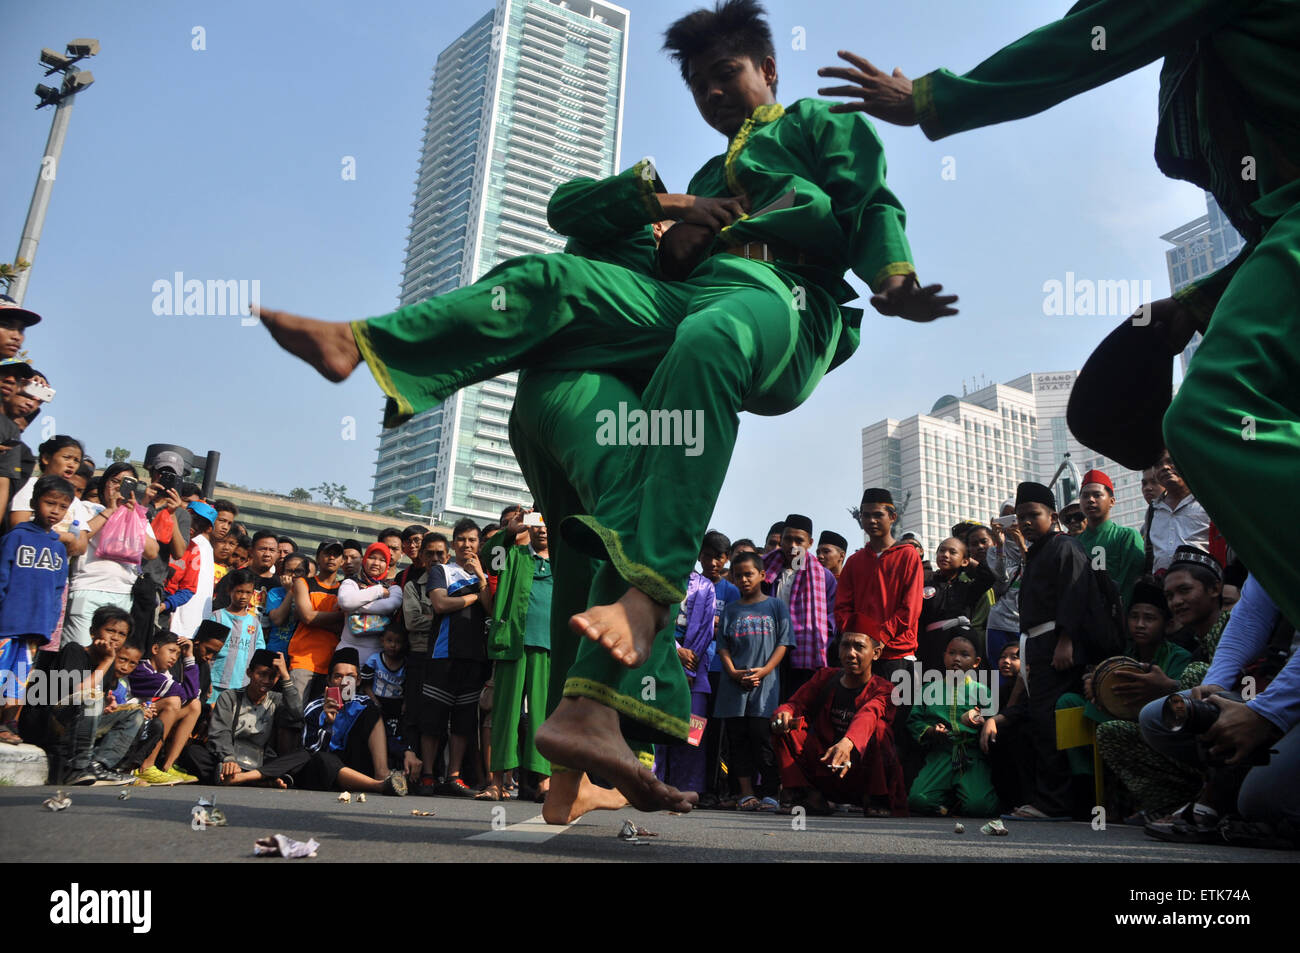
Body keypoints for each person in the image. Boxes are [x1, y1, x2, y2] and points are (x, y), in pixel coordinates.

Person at [257, 0, 954, 814]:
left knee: (700, 354)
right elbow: (577, 214)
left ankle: (645, 609)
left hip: (784, 299)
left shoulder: (814, 125)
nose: (712, 94)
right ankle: (367, 343)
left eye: (725, 74)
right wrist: (676, 214)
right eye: (697, 85)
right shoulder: (696, 183)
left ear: (768, 69)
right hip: (683, 310)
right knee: (553, 288)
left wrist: (894, 277)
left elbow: (872, 200)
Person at [978, 482, 1088, 821]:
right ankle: (1046, 799)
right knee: (1039, 721)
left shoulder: (1065, 546)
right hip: (1035, 645)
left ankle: (1055, 803)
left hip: (1056, 644)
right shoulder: (1037, 552)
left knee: (1051, 722)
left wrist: (1066, 639)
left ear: (1052, 517)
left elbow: (1075, 595)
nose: (1025, 522)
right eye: (1021, 516)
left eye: (1033, 515)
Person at [771, 624, 906, 816]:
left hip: (861, 773)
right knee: (786, 725)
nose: (850, 653)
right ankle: (807, 796)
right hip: (825, 765)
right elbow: (796, 703)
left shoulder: (885, 689)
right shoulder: (825, 677)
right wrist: (784, 712)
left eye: (859, 646)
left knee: (880, 730)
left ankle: (876, 799)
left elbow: (868, 714)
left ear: (875, 653)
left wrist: (847, 743)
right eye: (845, 645)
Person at [480, 509, 554, 801]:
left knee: (542, 716)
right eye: (537, 523)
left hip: (549, 646)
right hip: (512, 642)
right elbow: (490, 559)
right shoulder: (513, 555)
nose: (543, 529)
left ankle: (544, 783)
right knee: (505, 714)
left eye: (548, 523)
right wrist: (509, 532)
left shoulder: (565, 562)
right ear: (529, 527)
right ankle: (497, 782)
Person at [419, 518, 493, 796]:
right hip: (443, 654)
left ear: (479, 544)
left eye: (472, 540)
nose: (467, 544)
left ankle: (454, 776)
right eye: (461, 539)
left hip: (474, 657)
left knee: (463, 722)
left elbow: (492, 610)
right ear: (453, 544)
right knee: (432, 720)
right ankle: (428, 775)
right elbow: (440, 604)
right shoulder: (442, 570)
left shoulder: (483, 574)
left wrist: (481, 579)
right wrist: (474, 597)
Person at [715, 550, 792, 811]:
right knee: (737, 740)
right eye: (738, 576)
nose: (744, 580)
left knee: (763, 737)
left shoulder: (776, 606)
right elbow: (723, 646)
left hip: (765, 686)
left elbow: (783, 643)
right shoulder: (731, 609)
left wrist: (764, 671)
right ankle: (746, 793)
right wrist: (733, 672)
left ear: (762, 575)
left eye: (749, 574)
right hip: (733, 686)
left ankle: (771, 792)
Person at [0, 474, 73, 743]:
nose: (55, 511)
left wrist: (49, 623)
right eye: (50, 503)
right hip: (7, 623)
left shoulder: (58, 548)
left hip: (35, 628)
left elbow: (57, 590)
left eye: (62, 507)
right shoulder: (15, 537)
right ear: (34, 502)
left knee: (20, 678)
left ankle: (7, 723)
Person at [62, 464, 160, 648]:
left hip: (122, 595)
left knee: (108, 655)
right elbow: (78, 540)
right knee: (77, 652)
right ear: (104, 483)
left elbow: (152, 551)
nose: (119, 487)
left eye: (127, 483)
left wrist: (133, 515)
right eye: (115, 481)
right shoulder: (87, 508)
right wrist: (109, 511)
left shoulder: (135, 515)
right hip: (86, 590)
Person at [833, 487, 923, 685]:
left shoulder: (908, 555)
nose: (871, 520)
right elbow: (841, 608)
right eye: (866, 515)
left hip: (897, 654)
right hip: (859, 655)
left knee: (896, 706)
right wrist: (858, 636)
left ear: (892, 517)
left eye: (878, 515)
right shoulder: (854, 561)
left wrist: (880, 637)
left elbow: (911, 608)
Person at [182, 649, 308, 787]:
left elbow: (297, 714)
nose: (266, 681)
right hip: (230, 759)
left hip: (263, 761)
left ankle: (242, 778)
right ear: (249, 673)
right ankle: (260, 780)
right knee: (193, 752)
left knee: (303, 756)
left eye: (272, 676)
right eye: (262, 674)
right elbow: (220, 732)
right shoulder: (230, 697)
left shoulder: (277, 700)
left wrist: (286, 676)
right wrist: (229, 759)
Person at [300, 647, 414, 795]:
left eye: (350, 677)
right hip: (329, 767)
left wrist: (407, 751)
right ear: (329, 680)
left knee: (372, 711)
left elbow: (385, 737)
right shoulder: (314, 708)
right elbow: (310, 752)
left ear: (358, 680)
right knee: (322, 759)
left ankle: (382, 773)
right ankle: (379, 786)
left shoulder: (364, 704)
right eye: (338, 676)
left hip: (357, 762)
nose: (344, 682)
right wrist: (328, 724)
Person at [908, 633, 999, 817]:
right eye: (952, 653)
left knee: (981, 807)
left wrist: (981, 722)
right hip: (941, 754)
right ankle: (949, 800)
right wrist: (930, 731)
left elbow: (992, 721)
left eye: (964, 654)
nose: (956, 658)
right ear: (944, 657)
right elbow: (914, 721)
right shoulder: (928, 690)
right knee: (918, 801)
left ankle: (959, 799)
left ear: (976, 662)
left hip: (970, 755)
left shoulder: (983, 691)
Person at [763, 514, 836, 697]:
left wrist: (819, 641)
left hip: (805, 651)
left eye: (799, 540)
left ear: (810, 543)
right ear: (781, 540)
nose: (793, 545)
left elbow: (832, 617)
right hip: (767, 647)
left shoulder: (823, 576)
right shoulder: (764, 569)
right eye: (788, 539)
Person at [127, 628, 201, 784]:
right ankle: (146, 766)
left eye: (178, 654)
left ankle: (167, 766)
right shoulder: (142, 670)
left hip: (146, 720)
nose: (174, 658)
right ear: (155, 649)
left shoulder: (165, 675)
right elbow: (189, 692)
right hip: (130, 722)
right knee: (173, 701)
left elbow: (191, 696)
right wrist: (189, 658)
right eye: (171, 651)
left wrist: (188, 655)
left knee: (194, 705)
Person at [1077, 468, 1145, 608]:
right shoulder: (1073, 543)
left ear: (1112, 501)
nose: (1090, 500)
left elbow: (1129, 584)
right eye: (1085, 496)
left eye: (1097, 495)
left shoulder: (1127, 536)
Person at [287, 540, 345, 703]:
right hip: (303, 660)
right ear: (318, 557)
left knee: (325, 714)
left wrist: (316, 618)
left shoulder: (346, 589)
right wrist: (341, 615)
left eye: (336, 555)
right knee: (294, 713)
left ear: (342, 561)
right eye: (327, 553)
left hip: (333, 665)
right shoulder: (303, 583)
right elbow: (307, 616)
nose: (331, 558)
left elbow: (344, 627)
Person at [337, 542, 403, 662]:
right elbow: (346, 602)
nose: (376, 563)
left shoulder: (393, 588)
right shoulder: (350, 582)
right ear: (364, 559)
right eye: (372, 558)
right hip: (346, 654)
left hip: (378, 660)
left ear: (387, 565)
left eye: (382, 560)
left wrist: (354, 606)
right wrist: (379, 591)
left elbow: (389, 606)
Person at [1148, 451, 1211, 574]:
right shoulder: (1153, 509)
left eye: (1170, 461)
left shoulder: (1207, 500)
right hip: (1163, 582)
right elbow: (1150, 553)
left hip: (1203, 579)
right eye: (1158, 465)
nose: (1164, 467)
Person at [207, 569, 264, 702]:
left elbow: (259, 653)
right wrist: (206, 679)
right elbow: (205, 650)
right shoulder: (218, 617)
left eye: (248, 592)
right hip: (215, 682)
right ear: (229, 590)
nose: (243, 596)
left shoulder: (254, 623)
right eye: (239, 591)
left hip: (241, 684)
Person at [168, 501, 217, 642]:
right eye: (195, 520)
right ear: (186, 513)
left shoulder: (196, 549)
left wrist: (167, 605)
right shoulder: (162, 531)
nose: (196, 527)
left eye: (203, 525)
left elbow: (189, 588)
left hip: (168, 610)